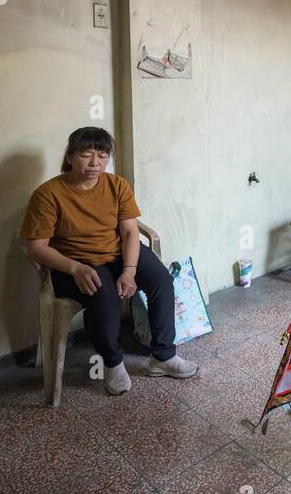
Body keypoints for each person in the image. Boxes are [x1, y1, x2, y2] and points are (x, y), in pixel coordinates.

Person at [21, 127, 197, 395]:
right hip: (74, 262)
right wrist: (74, 268)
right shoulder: (48, 194)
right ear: (69, 156)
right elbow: (35, 247)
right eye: (86, 155)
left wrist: (129, 271)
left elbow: (129, 232)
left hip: (117, 253)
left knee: (161, 280)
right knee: (104, 296)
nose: (95, 163)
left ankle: (163, 356)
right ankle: (113, 364)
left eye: (102, 156)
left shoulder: (117, 185)